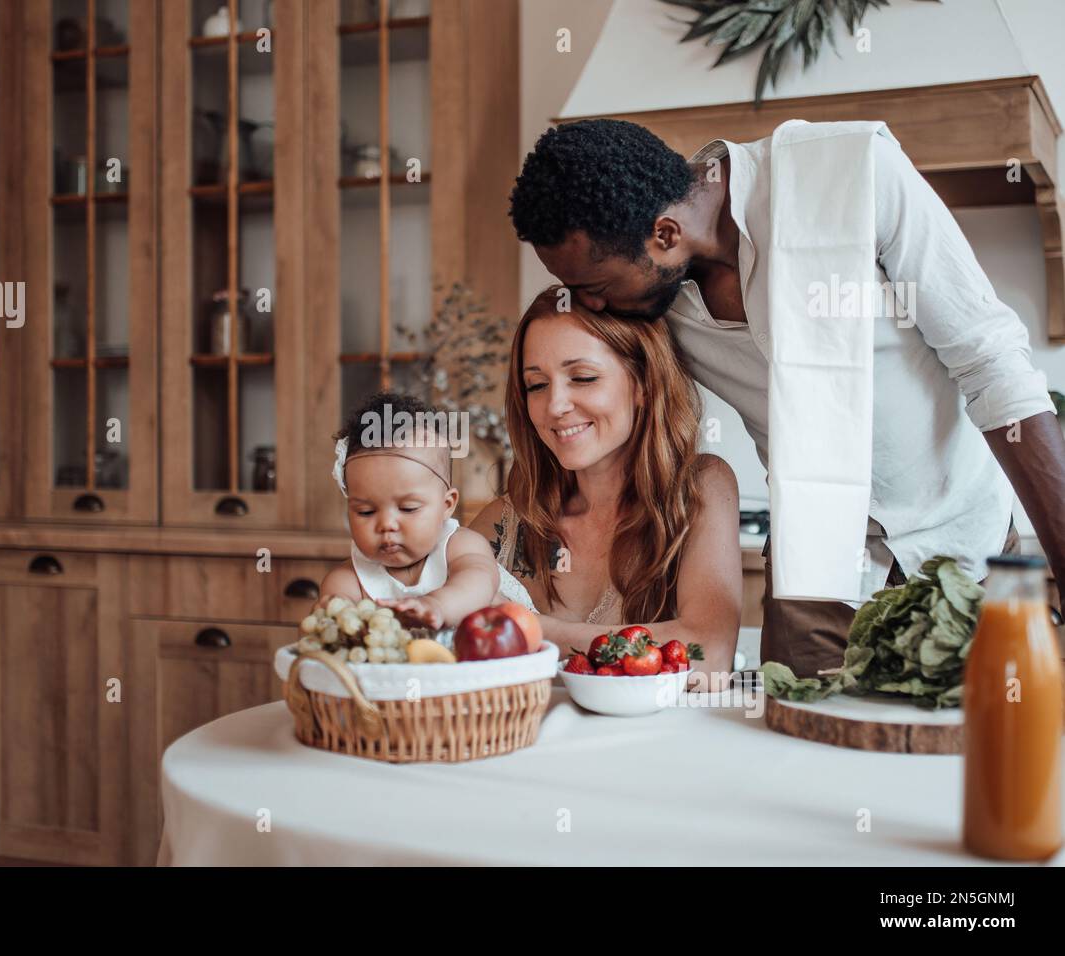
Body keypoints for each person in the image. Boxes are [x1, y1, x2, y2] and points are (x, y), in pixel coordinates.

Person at [508, 118, 1065, 677]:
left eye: (596, 289)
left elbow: (993, 363)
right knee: (802, 751)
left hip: (960, 548)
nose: (593, 307)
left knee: (970, 748)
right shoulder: (654, 301)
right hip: (812, 573)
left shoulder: (852, 173)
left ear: (666, 234)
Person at [469, 287, 741, 689]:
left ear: (642, 383)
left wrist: (536, 630)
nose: (555, 405)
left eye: (583, 377)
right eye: (536, 385)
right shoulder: (505, 521)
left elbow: (709, 656)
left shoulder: (702, 488)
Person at [318, 391, 536, 631]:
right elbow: (324, 634)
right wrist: (330, 619)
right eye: (366, 512)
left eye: (408, 508)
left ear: (446, 505)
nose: (387, 524)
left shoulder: (461, 547)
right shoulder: (348, 580)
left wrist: (437, 606)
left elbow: (478, 582)